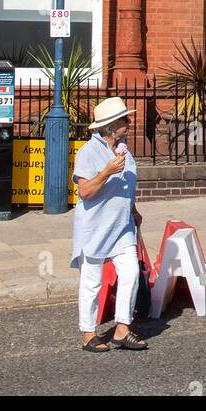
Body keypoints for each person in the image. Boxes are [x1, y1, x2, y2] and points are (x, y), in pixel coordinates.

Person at [72, 96, 146, 352]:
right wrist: (106, 172)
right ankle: (89, 334)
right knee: (91, 282)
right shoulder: (88, 152)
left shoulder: (124, 148)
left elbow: (127, 185)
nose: (130, 122)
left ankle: (122, 329)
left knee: (131, 273)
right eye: (125, 119)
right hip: (96, 228)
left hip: (122, 226)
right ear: (111, 126)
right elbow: (85, 192)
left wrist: (133, 210)